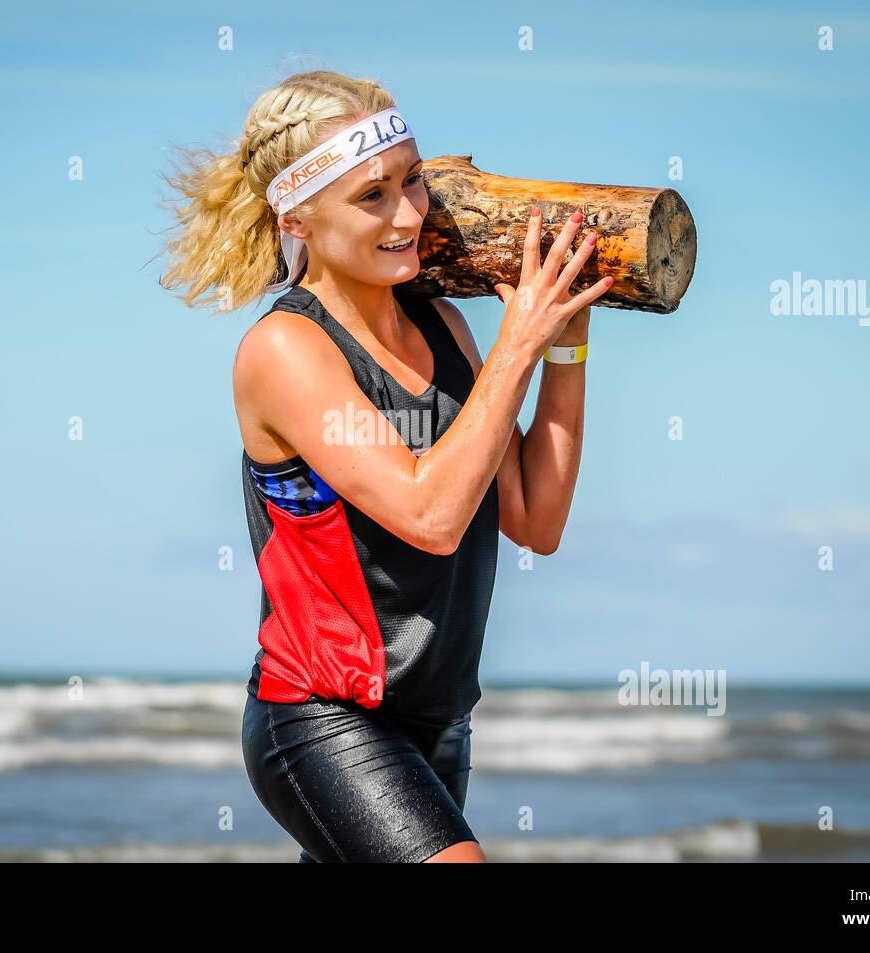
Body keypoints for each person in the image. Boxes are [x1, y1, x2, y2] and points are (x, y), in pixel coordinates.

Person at [157, 70, 612, 862]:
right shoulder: (285, 350)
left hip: (440, 720)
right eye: (372, 195)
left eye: (413, 182)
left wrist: (564, 342)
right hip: (325, 718)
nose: (408, 214)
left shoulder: (445, 330)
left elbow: (536, 519)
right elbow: (431, 516)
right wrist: (517, 346)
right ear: (298, 212)